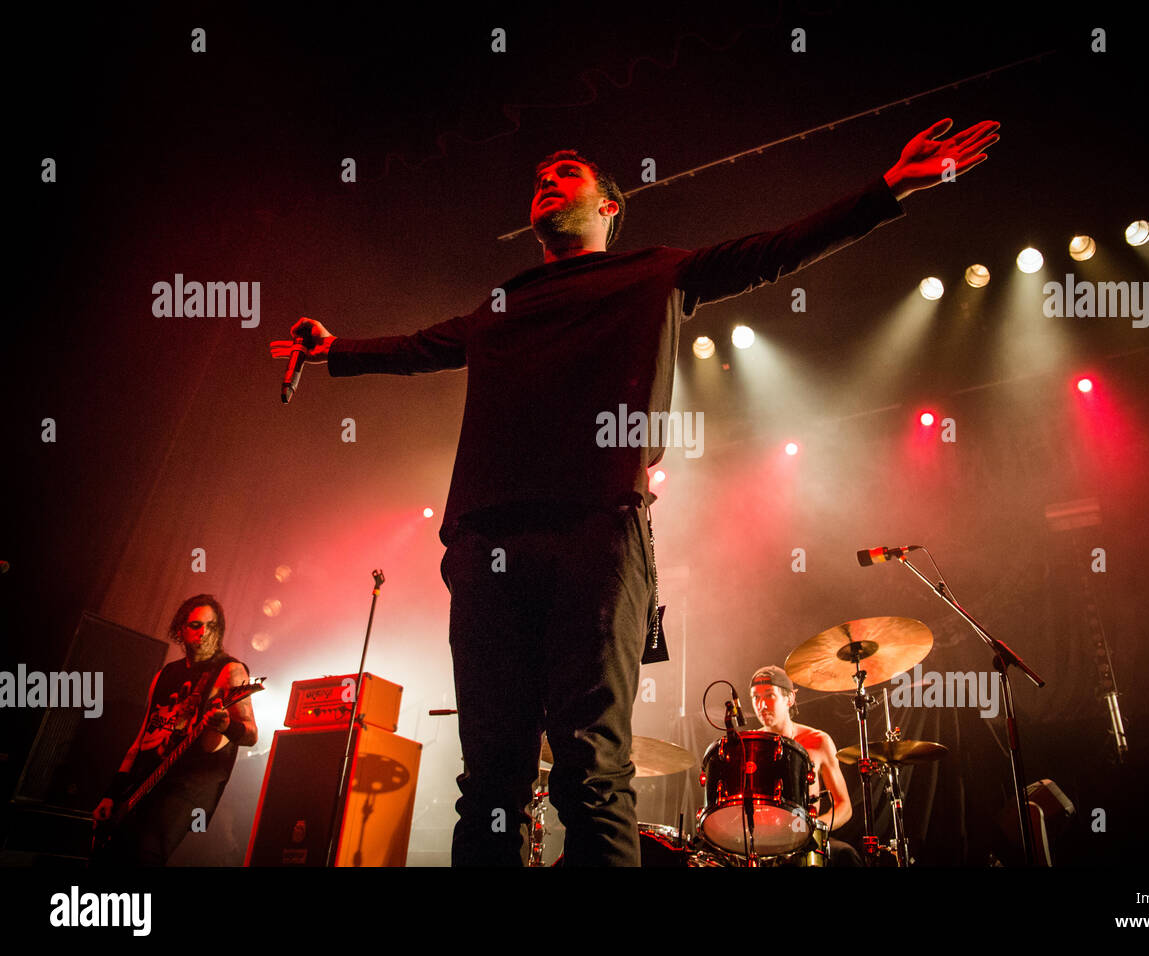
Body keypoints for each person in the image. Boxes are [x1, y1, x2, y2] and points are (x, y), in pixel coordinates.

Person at [270, 119, 999, 866]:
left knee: (590, 773)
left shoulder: (654, 271)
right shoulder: (505, 302)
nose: (545, 183)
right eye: (539, 179)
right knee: (489, 780)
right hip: (486, 538)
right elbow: (420, 347)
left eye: (565, 175)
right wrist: (335, 350)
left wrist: (888, 187)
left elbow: (771, 252)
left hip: (596, 531)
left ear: (610, 207)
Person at [92, 594, 258, 865]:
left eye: (211, 626)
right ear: (180, 629)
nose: (204, 632)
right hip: (142, 783)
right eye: (195, 625)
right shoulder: (165, 674)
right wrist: (112, 792)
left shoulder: (230, 671)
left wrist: (227, 725)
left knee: (145, 854)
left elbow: (251, 734)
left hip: (187, 785)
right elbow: (141, 739)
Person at [749, 665, 861, 865]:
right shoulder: (751, 746)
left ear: (789, 699)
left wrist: (815, 828)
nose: (761, 705)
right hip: (764, 840)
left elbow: (844, 806)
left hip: (806, 838)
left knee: (845, 854)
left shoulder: (818, 741)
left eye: (769, 695)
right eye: (755, 697)